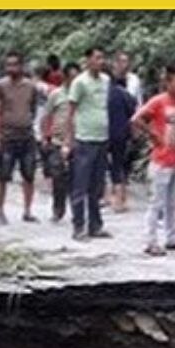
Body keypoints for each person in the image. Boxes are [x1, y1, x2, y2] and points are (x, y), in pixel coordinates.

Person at [132, 63, 175, 256]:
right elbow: (137, 119)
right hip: (161, 159)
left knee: (172, 201)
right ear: (168, 83)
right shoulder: (158, 101)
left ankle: (171, 236)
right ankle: (150, 240)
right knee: (156, 201)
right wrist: (153, 134)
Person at [64, 46, 111, 241]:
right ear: (88, 60)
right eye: (97, 58)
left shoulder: (106, 80)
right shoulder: (79, 83)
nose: (101, 62)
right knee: (80, 185)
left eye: (102, 58)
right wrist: (69, 140)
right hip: (84, 139)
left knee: (96, 186)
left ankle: (95, 225)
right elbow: (70, 112)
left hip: (102, 138)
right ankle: (78, 227)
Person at [0, 51, 39, 225]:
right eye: (8, 65)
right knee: (3, 175)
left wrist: (27, 121)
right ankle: (0, 211)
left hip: (26, 135)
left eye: (14, 64)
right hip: (7, 136)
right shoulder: (0, 86)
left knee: (29, 175)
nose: (11, 68)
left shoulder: (30, 86)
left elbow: (33, 108)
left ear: (21, 66)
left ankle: (27, 210)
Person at [41, 61, 78, 223]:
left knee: (77, 178)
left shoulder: (82, 94)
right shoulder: (56, 94)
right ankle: (58, 209)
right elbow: (46, 115)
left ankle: (77, 211)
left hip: (78, 140)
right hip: (58, 140)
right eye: (71, 77)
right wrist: (44, 136)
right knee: (58, 176)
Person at [106, 70, 137, 213]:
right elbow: (134, 112)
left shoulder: (104, 94)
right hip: (122, 134)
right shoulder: (125, 95)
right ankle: (121, 199)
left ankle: (111, 198)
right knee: (120, 166)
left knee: (106, 166)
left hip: (105, 134)